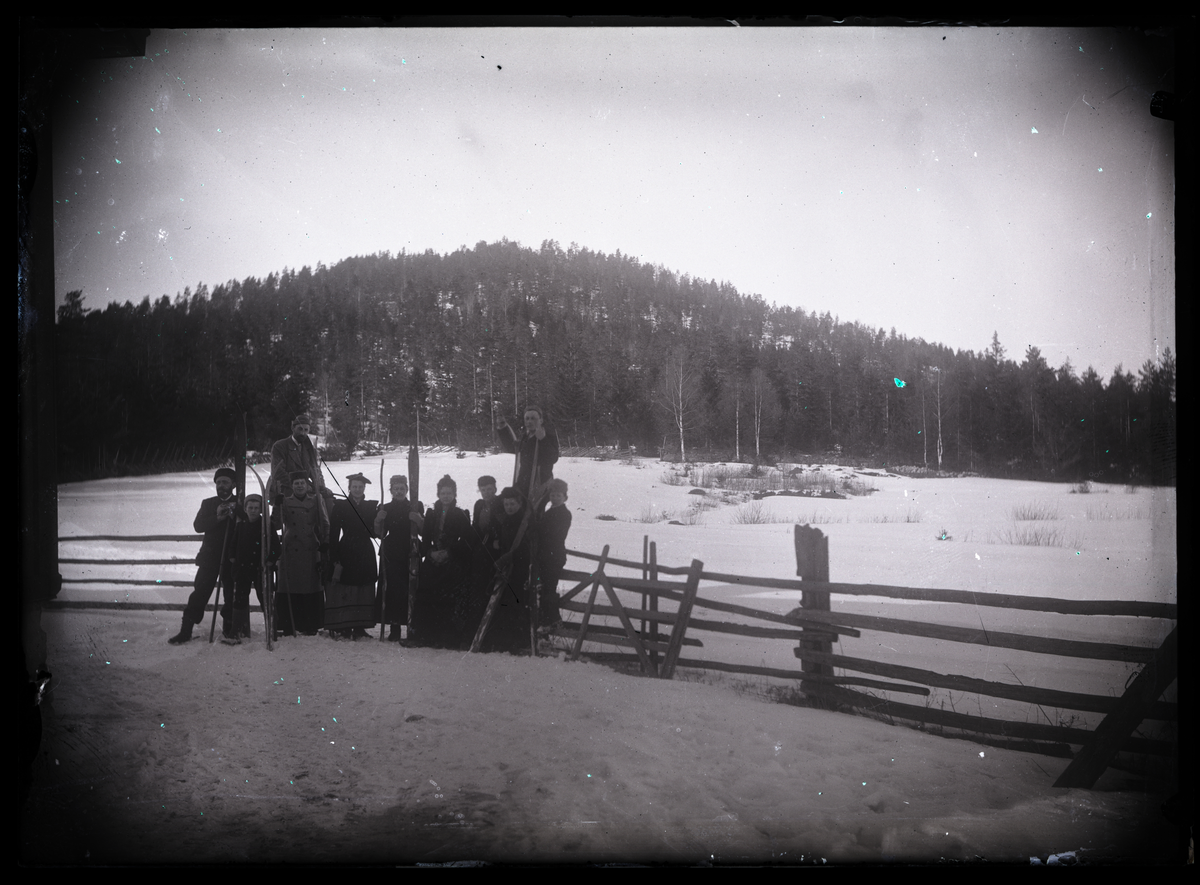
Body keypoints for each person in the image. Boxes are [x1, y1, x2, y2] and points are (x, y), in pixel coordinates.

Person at [169, 467, 242, 644]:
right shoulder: (208, 503)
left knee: (230, 595)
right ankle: (186, 631)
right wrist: (217, 518)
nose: (221, 485)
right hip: (209, 558)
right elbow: (198, 526)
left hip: (231, 558)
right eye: (218, 482)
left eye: (225, 482)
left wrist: (235, 515)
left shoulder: (240, 504)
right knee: (199, 593)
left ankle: (229, 630)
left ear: (233, 484)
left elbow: (247, 524)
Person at [413, 475, 473, 648]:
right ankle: (424, 635)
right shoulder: (432, 514)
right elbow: (424, 540)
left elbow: (467, 541)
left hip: (451, 561)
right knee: (426, 593)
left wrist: (449, 552)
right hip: (432, 560)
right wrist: (430, 553)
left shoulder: (461, 514)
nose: (446, 496)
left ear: (454, 494)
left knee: (447, 598)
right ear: (438, 494)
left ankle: (446, 637)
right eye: (443, 493)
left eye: (449, 493)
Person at [324, 473, 379, 640]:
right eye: (354, 486)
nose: (357, 489)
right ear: (349, 488)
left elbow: (374, 533)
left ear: (364, 489)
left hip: (364, 549)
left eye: (360, 487)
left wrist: (379, 519)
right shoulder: (340, 506)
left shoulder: (371, 506)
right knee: (347, 587)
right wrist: (334, 557)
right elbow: (333, 533)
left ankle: (361, 626)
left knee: (364, 586)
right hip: (346, 548)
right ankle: (345, 626)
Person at [481, 486, 533, 653]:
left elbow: (526, 548)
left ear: (519, 504)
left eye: (512, 504)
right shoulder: (506, 521)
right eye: (506, 504)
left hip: (520, 569)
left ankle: (516, 643)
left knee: (516, 604)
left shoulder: (525, 522)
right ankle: (502, 641)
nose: (509, 507)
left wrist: (506, 558)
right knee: (503, 604)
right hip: (506, 569)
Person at [275, 470, 327, 636]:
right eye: (296, 483)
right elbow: (275, 524)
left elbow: (325, 523)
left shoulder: (316, 499)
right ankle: (288, 624)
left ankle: (310, 624)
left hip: (310, 546)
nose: (299, 486)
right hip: (290, 547)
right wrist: (277, 505)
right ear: (292, 486)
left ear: (307, 485)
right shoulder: (285, 501)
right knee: (289, 586)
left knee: (310, 585)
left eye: (302, 483)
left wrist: (324, 542)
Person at [373, 475, 424, 642]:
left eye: (402, 488)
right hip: (391, 553)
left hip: (411, 551)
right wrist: (378, 520)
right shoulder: (385, 507)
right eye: (396, 489)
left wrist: (418, 520)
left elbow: (424, 530)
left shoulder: (416, 505)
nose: (399, 491)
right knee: (393, 591)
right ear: (391, 490)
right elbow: (379, 534)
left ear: (407, 490)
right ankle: (394, 628)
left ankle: (411, 627)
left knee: (411, 589)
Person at [226, 493, 276, 642]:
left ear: (260, 509)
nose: (253, 510)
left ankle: (272, 630)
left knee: (265, 599)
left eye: (256, 508)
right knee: (239, 599)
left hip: (260, 569)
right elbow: (233, 544)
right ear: (246, 509)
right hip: (243, 569)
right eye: (250, 507)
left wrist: (270, 560)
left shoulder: (266, 525)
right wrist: (232, 557)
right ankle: (236, 631)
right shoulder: (241, 525)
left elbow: (275, 547)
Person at [267, 414, 328, 533]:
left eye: (306, 430)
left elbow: (314, 470)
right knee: (299, 510)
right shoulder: (280, 446)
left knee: (327, 501)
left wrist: (319, 487)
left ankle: (322, 538)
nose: (303, 433)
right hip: (284, 488)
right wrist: (304, 486)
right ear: (293, 428)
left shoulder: (308, 447)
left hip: (304, 488)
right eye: (300, 429)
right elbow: (278, 472)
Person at [495, 406, 559, 504]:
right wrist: (503, 428)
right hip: (523, 482)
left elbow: (553, 458)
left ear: (541, 420)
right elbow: (513, 448)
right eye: (527, 418)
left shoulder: (548, 435)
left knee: (532, 515)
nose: (529, 421)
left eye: (533, 418)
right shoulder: (526, 436)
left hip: (539, 484)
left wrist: (543, 440)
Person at [536, 478, 572, 626]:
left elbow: (557, 535)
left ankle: (552, 620)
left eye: (558, 495)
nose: (555, 498)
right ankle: (546, 620)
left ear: (565, 497)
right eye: (552, 495)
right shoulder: (549, 511)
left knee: (549, 588)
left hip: (554, 556)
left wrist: (539, 530)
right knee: (544, 588)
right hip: (546, 556)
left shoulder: (564, 514)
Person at [471, 475, 504, 555]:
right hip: (480, 544)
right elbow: (475, 526)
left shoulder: (501, 504)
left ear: (495, 490)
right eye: (483, 490)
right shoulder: (479, 505)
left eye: (489, 489)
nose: (486, 493)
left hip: (495, 546)